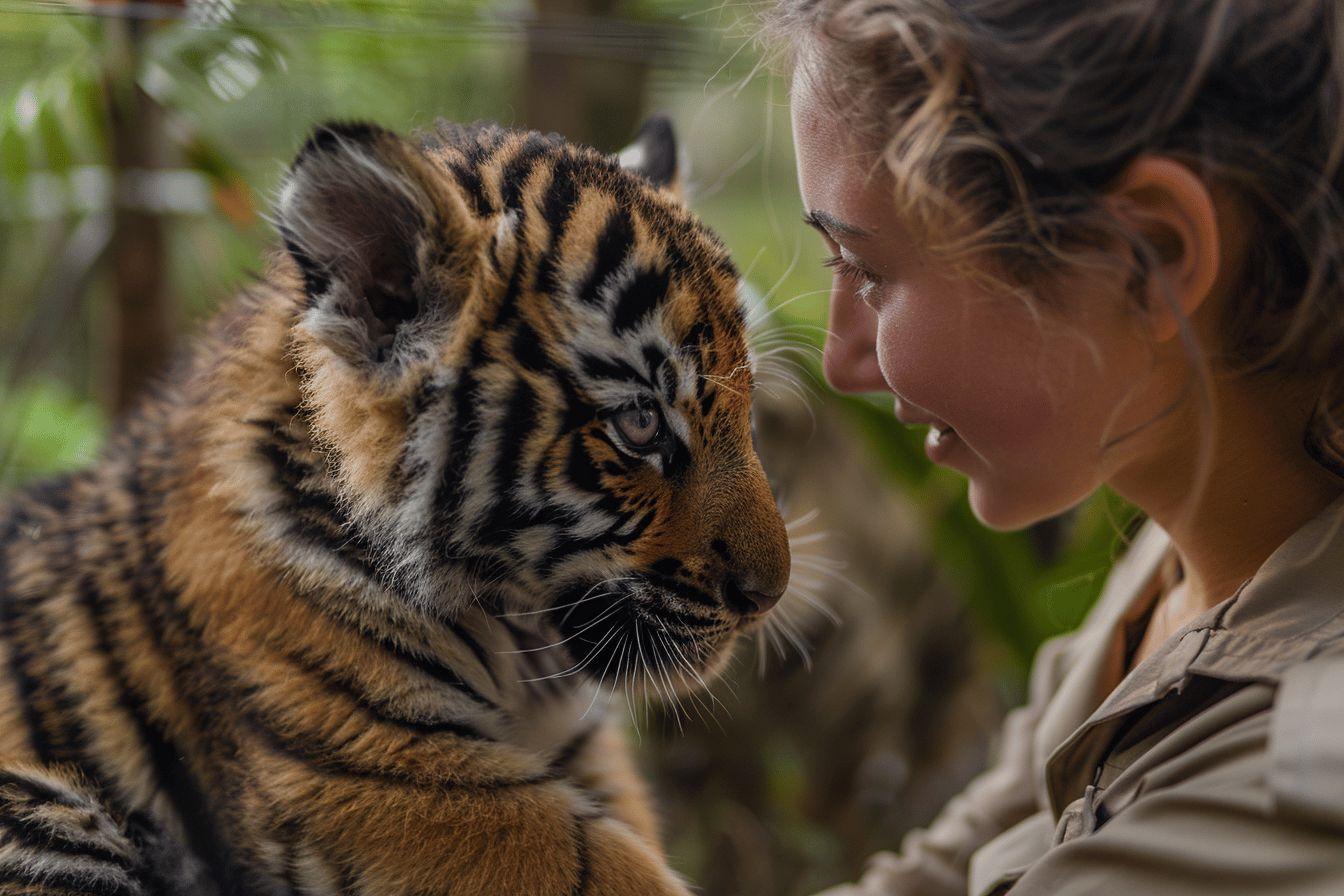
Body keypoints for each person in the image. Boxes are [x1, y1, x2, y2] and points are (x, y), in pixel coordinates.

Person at [766, 1, 1344, 893]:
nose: (841, 362)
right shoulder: (1191, 556)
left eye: (869, 271)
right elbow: (947, 870)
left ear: (1145, 253)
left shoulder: (1281, 791)